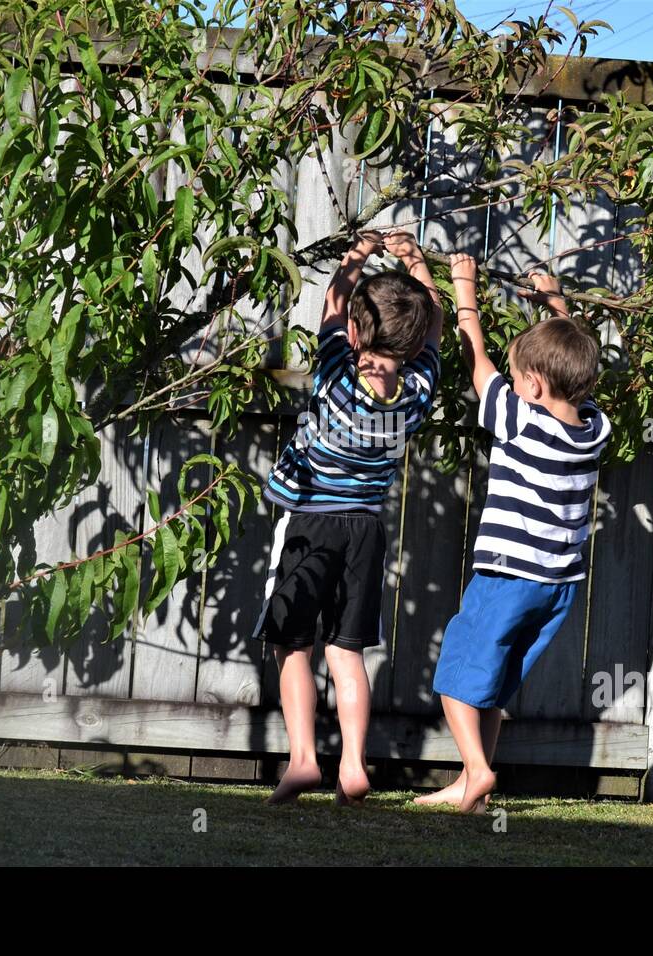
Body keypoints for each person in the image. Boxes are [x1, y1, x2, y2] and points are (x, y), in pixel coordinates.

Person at [254, 230, 444, 805]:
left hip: (311, 522)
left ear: (357, 336)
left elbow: (334, 303)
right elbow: (432, 324)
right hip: (366, 528)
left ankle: (306, 760)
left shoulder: (336, 376)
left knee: (293, 645)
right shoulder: (415, 392)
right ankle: (355, 766)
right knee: (347, 651)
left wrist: (356, 257)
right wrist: (416, 261)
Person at [417, 253, 611, 813]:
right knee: (496, 682)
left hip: (508, 575)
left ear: (529, 384)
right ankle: (470, 787)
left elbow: (477, 362)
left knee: (457, 674)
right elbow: (575, 365)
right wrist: (555, 304)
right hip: (559, 584)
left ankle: (476, 772)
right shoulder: (593, 429)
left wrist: (465, 290)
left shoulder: (522, 421)